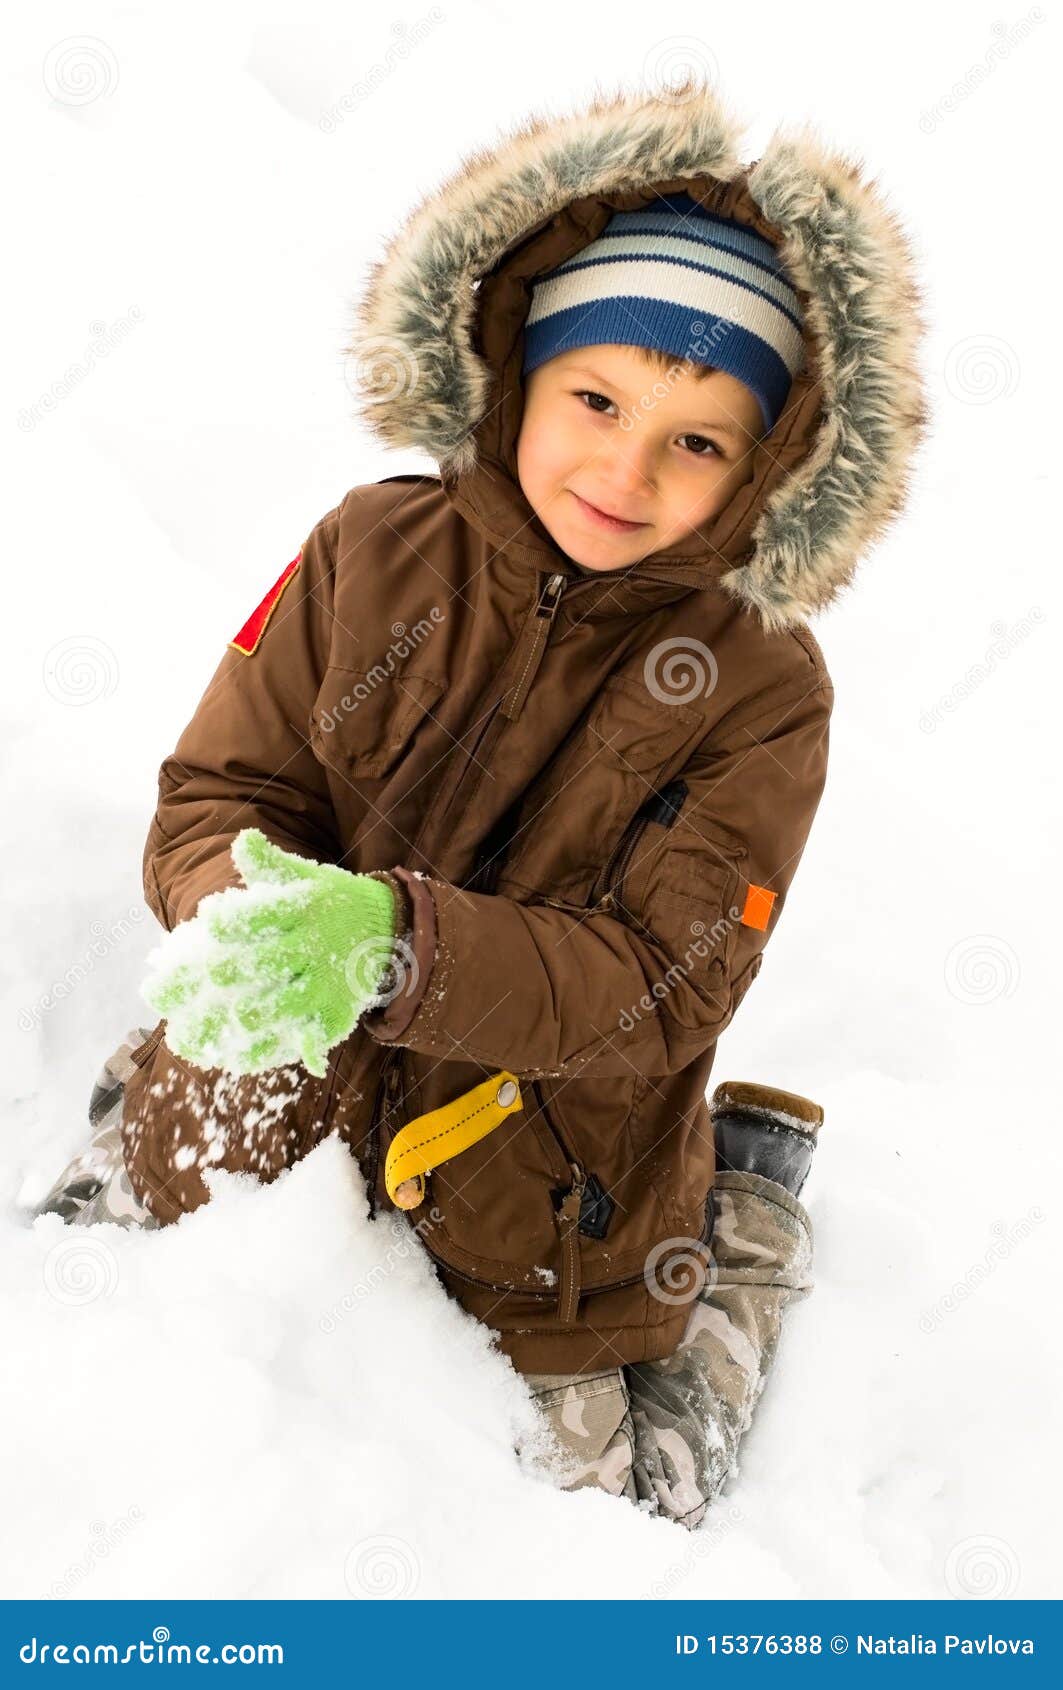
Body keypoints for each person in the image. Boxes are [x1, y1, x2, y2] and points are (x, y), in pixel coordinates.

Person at [30, 78, 926, 1528]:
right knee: (96, 1295)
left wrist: (401, 946)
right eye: (598, 400)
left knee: (608, 1498)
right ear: (519, 374)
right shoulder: (370, 549)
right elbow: (219, 787)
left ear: (764, 473)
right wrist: (235, 913)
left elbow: (663, 982)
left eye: (697, 441)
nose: (625, 470)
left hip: (538, 1197)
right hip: (272, 1100)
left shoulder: (766, 690)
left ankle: (738, 1222)